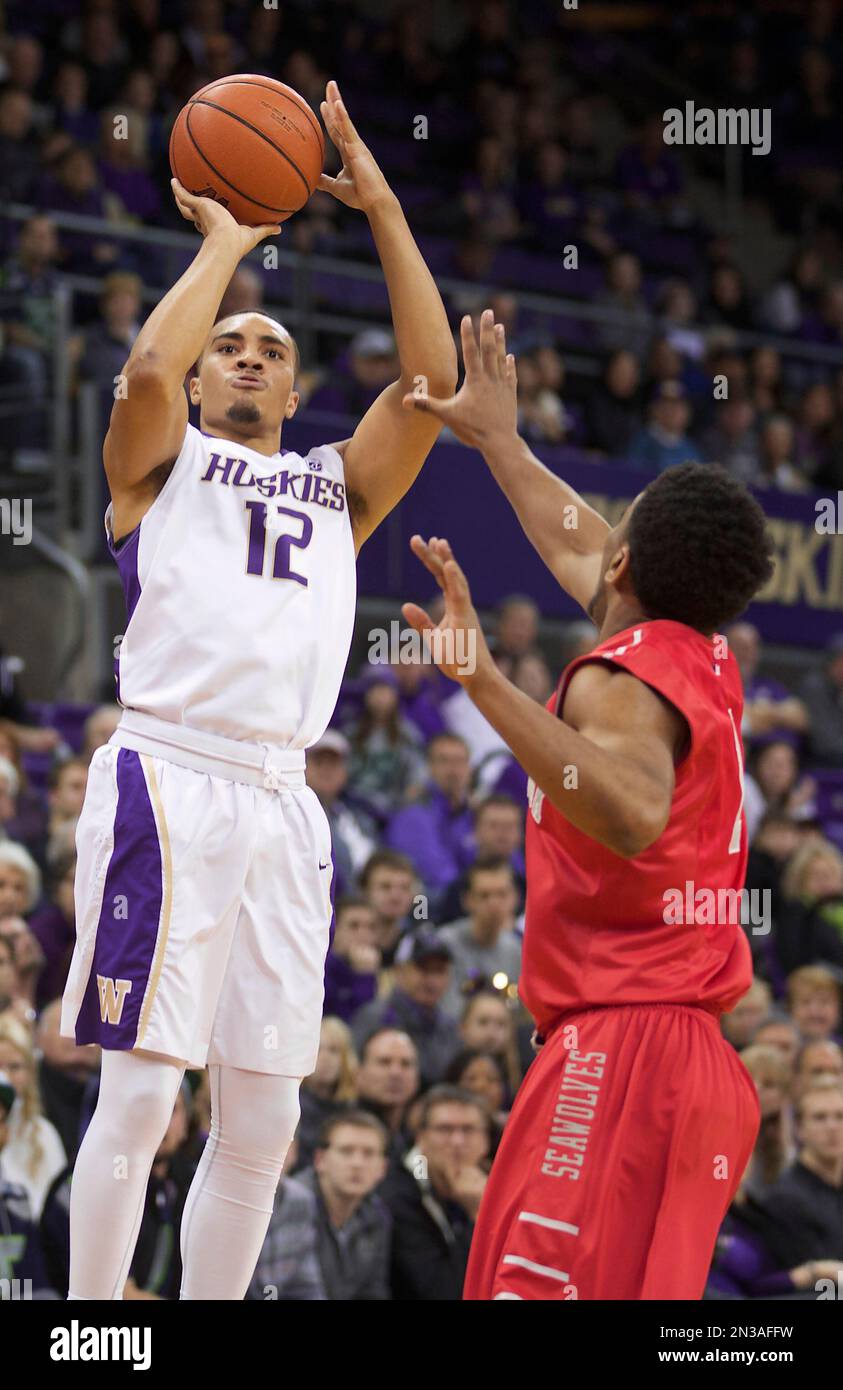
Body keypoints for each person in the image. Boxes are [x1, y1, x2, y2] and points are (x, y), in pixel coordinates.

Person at [57, 80, 457, 1302]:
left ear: (293, 394)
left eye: (270, 349)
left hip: (284, 803)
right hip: (168, 777)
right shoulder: (158, 460)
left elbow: (433, 383)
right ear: (201, 377)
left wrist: (382, 203)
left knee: (266, 1120)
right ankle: (88, 1332)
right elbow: (137, 374)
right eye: (227, 342)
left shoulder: (341, 485)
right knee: (138, 1094)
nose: (244, 352)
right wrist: (226, 245)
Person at [401, 309, 775, 1300]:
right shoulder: (699, 659)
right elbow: (584, 548)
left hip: (626, 1049)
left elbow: (630, 810)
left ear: (625, 563)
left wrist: (484, 685)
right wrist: (501, 441)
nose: (599, 532)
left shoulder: (616, 678)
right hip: (690, 1063)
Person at [379, 1085, 492, 1301]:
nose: (457, 1142)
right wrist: (479, 1215)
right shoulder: (398, 1193)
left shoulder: (495, 1185)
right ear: (421, 1137)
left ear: (485, 1141)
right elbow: (443, 1291)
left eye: (468, 1130)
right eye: (444, 1129)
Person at [295, 1111, 391, 1300]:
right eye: (346, 1151)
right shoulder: (291, 1206)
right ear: (320, 1160)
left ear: (383, 1168)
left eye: (369, 1153)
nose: (357, 1163)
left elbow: (372, 1292)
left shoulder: (377, 1215)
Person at [351, 931, 461, 1088]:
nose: (432, 981)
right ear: (399, 971)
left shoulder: (450, 1027)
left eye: (439, 971)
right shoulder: (374, 1017)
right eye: (424, 970)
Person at [437, 858, 522, 1018]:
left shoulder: (516, 950)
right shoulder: (445, 944)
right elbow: (446, 1012)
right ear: (467, 901)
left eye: (502, 894)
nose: (494, 903)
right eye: (484, 896)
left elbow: (520, 1015)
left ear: (515, 898)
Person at [355, 1028, 420, 1162]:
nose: (395, 1073)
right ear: (359, 1073)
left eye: (406, 1064)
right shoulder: (338, 1133)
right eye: (384, 1062)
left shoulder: (418, 1138)